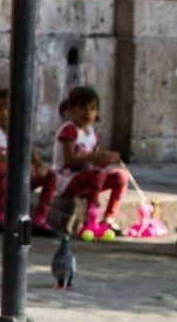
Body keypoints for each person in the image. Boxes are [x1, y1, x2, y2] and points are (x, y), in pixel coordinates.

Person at [0, 87, 57, 235]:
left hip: (14, 183)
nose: (4, 113)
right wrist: (24, 166)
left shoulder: (19, 131)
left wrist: (39, 167)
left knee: (51, 175)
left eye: (8, 108)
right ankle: (1, 217)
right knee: (3, 168)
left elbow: (33, 157)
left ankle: (40, 219)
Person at [54, 85, 127, 238]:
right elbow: (70, 161)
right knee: (96, 174)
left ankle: (109, 218)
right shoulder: (69, 130)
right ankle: (91, 218)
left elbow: (95, 165)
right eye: (82, 108)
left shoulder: (93, 133)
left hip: (88, 178)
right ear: (71, 109)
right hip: (67, 180)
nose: (88, 113)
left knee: (120, 176)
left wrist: (106, 159)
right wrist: (94, 157)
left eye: (93, 108)